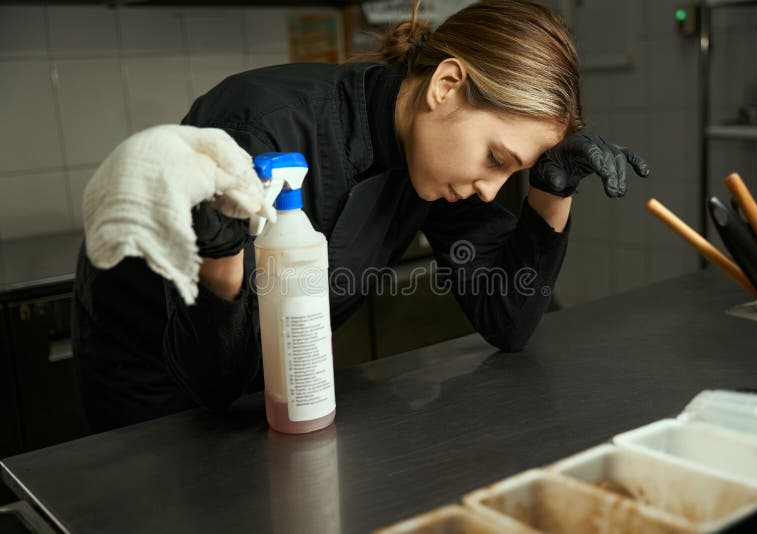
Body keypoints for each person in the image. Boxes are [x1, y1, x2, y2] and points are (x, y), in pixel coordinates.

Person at [72, 0, 649, 432]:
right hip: (155, 382)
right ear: (446, 85)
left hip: (280, 389)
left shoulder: (437, 166)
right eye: (497, 158)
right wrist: (222, 255)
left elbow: (507, 320)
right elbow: (212, 384)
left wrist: (552, 190)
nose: (489, 189)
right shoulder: (260, 126)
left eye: (514, 171)